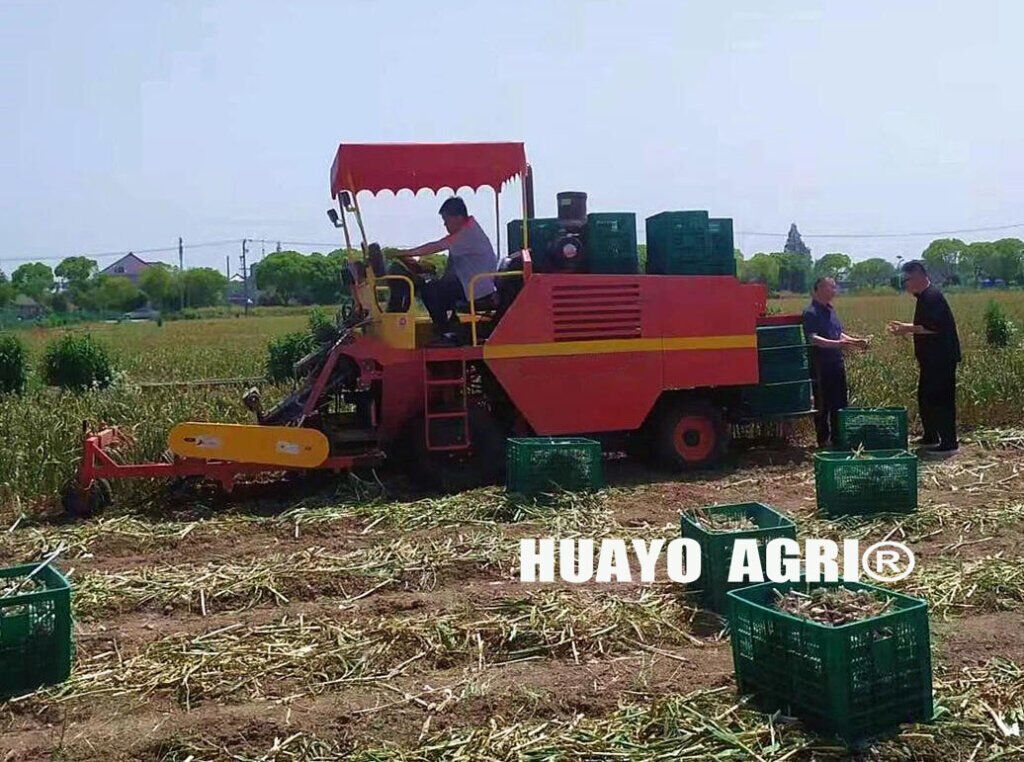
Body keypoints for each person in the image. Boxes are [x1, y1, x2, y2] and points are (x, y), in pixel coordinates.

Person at [391, 197, 497, 344]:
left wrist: (405, 253)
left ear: (459, 217)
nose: (445, 224)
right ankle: (451, 328)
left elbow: (436, 246)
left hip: (476, 288)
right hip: (469, 284)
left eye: (446, 220)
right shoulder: (464, 234)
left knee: (430, 290)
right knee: (433, 286)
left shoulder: (468, 234)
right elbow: (450, 269)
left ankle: (445, 333)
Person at [888, 260, 961, 455]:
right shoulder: (924, 297)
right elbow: (925, 325)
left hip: (941, 359)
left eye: (907, 279)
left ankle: (948, 442)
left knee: (941, 400)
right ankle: (931, 436)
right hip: (930, 361)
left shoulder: (932, 297)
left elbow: (933, 327)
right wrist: (906, 326)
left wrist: (906, 329)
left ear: (919, 276)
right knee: (926, 397)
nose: (905, 284)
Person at [802, 276, 869, 448]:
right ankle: (823, 440)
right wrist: (838, 344)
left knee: (839, 403)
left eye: (834, 287)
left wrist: (855, 342)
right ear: (819, 289)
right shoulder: (811, 312)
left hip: (836, 363)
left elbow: (838, 334)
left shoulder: (830, 310)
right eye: (831, 287)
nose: (834, 290)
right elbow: (813, 339)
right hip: (821, 366)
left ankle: (839, 439)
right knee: (823, 405)